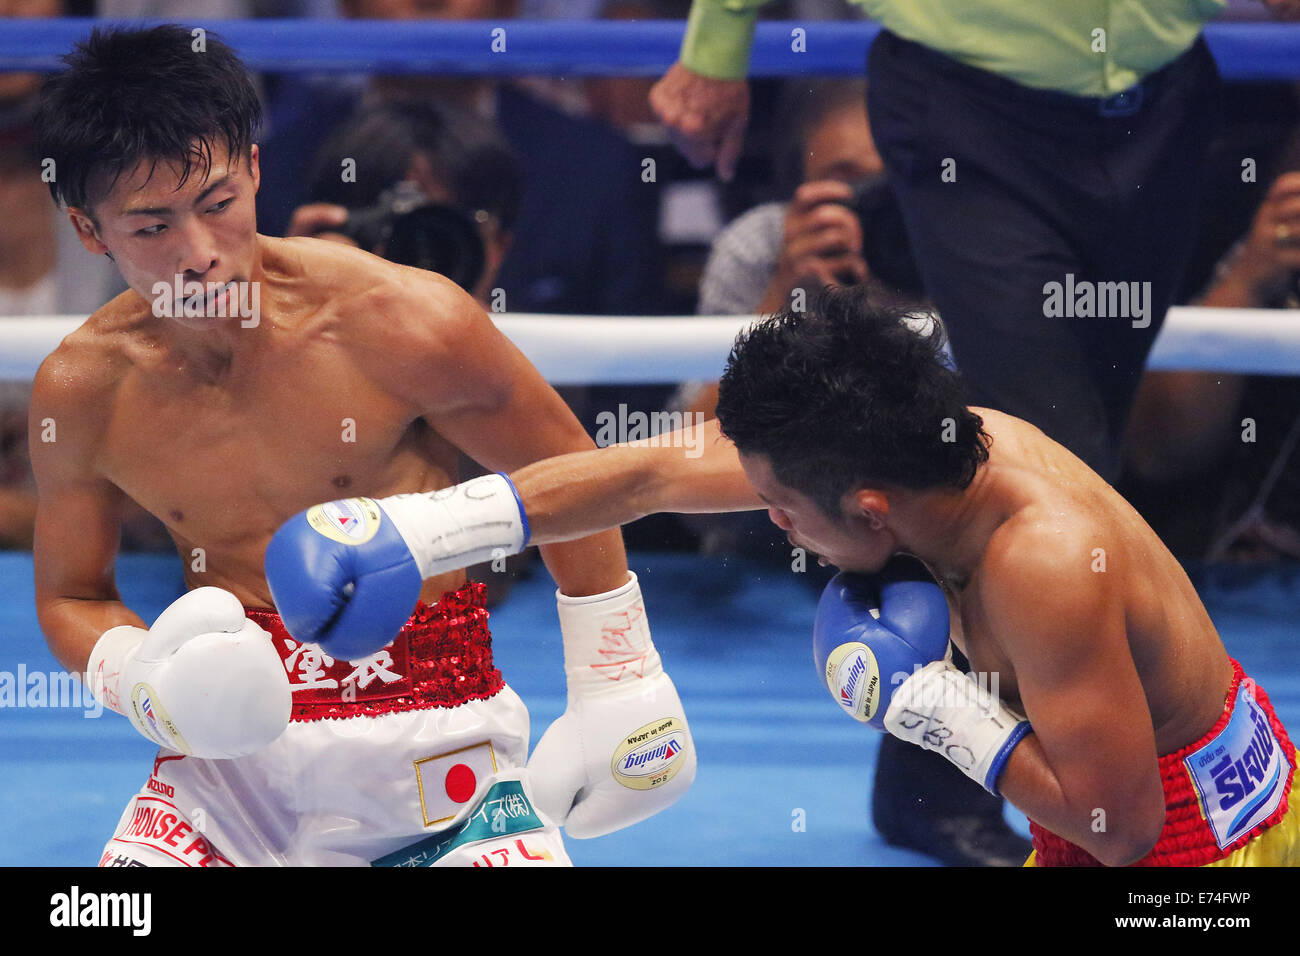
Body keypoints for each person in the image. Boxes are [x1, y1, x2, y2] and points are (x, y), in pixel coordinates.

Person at [289, 285, 1299, 866]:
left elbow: (1118, 826)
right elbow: (645, 474)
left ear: (867, 507)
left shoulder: (1040, 563)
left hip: (1191, 856)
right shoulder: (923, 450)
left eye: (782, 510)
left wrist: (936, 705)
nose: (770, 521)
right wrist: (417, 530)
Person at [31, 24, 694, 867]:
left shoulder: (402, 321)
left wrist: (618, 679)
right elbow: (72, 596)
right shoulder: (84, 389)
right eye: (152, 226)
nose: (198, 254)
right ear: (90, 230)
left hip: (440, 747)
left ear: (257, 170)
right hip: (227, 776)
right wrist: (143, 686)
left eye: (218, 204)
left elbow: (567, 474)